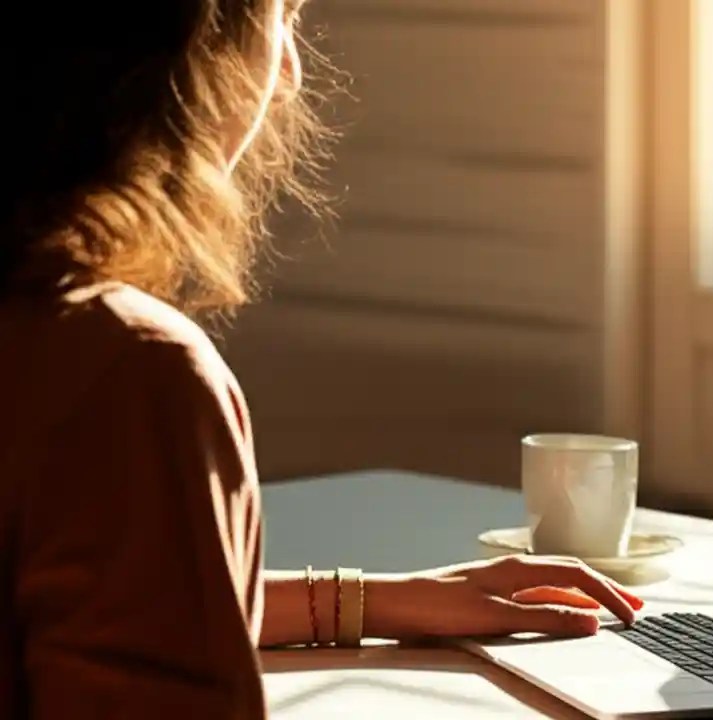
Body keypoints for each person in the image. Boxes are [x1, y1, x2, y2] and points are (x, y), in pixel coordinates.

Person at [0, 2, 640, 717]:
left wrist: (378, 601)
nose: (288, 77)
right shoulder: (126, 372)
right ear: (191, 45)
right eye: (282, 16)